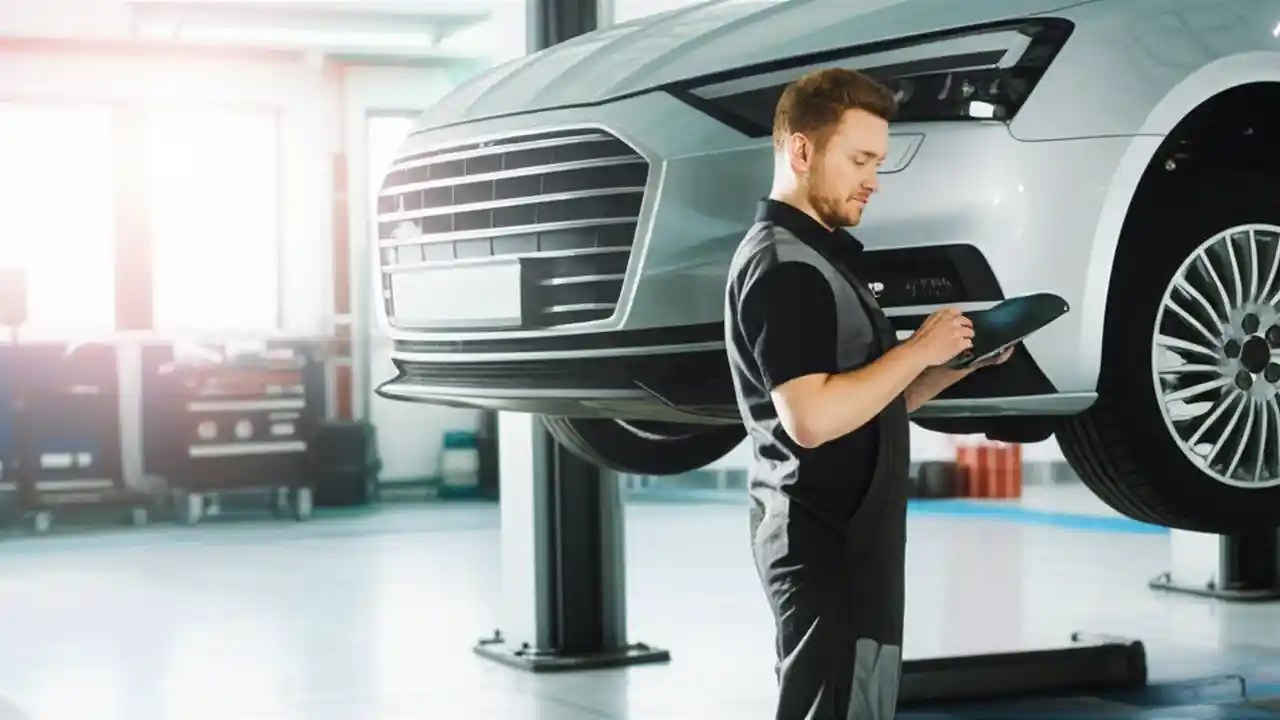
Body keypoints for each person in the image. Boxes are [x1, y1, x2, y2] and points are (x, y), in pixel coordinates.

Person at [723, 67, 1013, 719]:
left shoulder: (822, 260)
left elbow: (867, 405)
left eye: (877, 162)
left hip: (853, 537)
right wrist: (916, 349)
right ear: (802, 151)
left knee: (861, 700)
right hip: (823, 536)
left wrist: (956, 366)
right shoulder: (787, 270)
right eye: (859, 160)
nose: (873, 180)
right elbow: (811, 418)